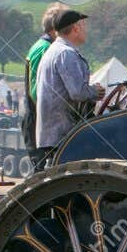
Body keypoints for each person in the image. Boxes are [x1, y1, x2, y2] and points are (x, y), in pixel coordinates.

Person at [35, 9, 103, 152]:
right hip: (63, 134)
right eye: (83, 26)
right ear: (76, 28)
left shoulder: (54, 51)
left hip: (52, 135)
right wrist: (95, 91)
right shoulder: (66, 53)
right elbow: (78, 93)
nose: (86, 30)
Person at [24, 2, 67, 166]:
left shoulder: (45, 46)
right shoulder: (45, 49)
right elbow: (37, 91)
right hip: (38, 119)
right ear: (56, 29)